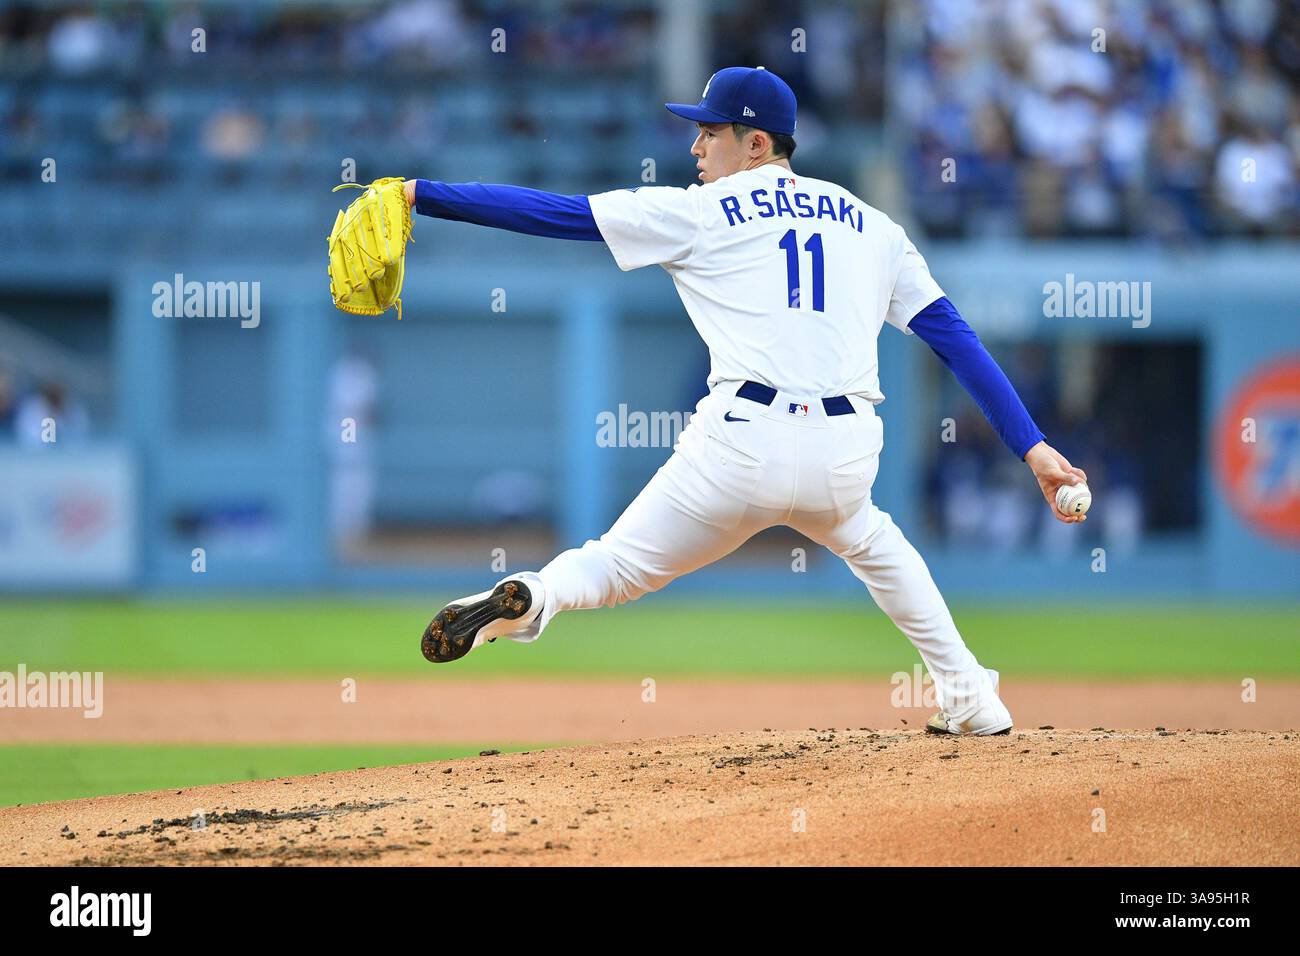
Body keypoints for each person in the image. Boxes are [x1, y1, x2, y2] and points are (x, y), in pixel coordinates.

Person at [404, 67, 1087, 736]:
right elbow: (953, 338)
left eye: (711, 131)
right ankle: (971, 696)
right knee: (877, 543)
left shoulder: (696, 211)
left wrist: (420, 194)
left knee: (614, 567)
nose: (696, 146)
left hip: (738, 445)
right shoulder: (874, 226)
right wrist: (1034, 447)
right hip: (844, 452)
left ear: (756, 144)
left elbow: (554, 214)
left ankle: (536, 598)